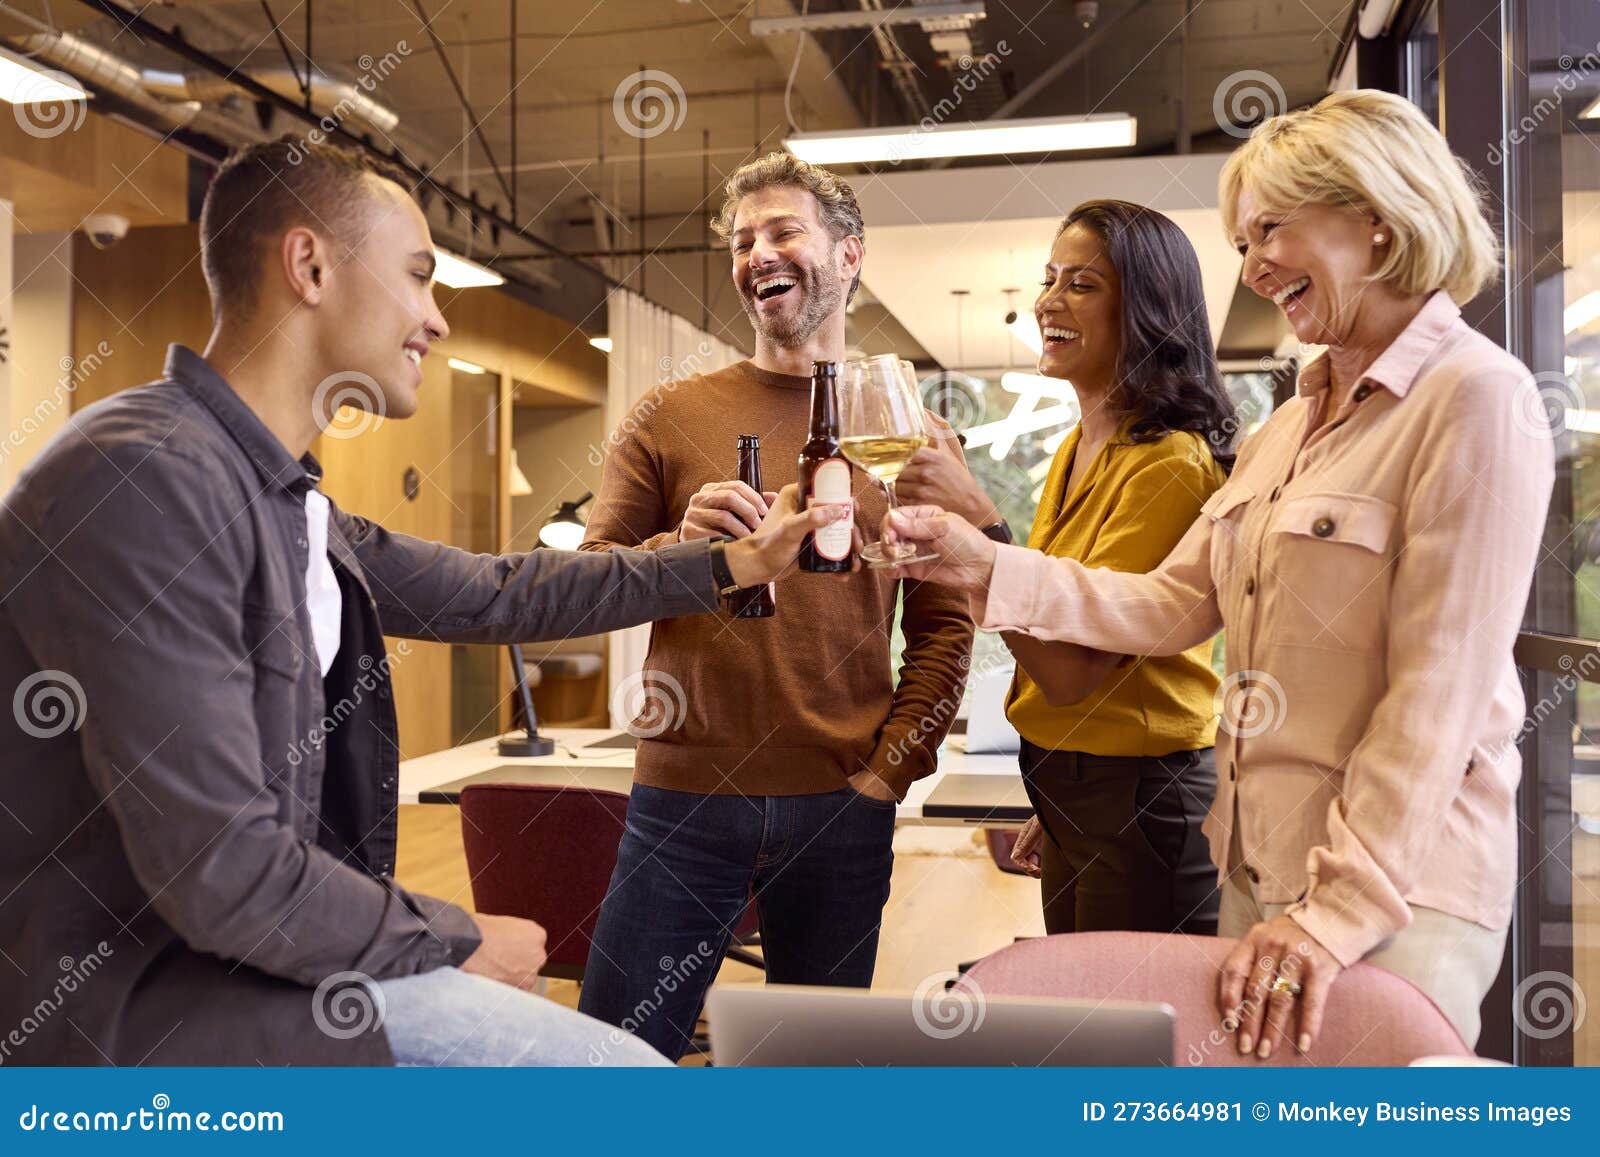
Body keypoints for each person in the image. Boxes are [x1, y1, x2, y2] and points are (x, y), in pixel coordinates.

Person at [0, 138, 841, 1067]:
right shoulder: (143, 477)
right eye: (417, 277)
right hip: (133, 1019)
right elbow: (223, 870)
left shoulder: (285, 501)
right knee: (625, 1075)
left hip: (255, 970)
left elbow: (501, 594)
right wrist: (453, 938)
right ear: (310, 266)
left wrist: (728, 563)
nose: (437, 320)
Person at [883, 89, 1553, 1055]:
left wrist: (1332, 914)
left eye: (1272, 229)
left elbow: (1436, 700)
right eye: (1244, 242)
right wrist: (978, 561)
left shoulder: (1476, 397)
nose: (1253, 265)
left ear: (1377, 217)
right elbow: (1168, 602)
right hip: (1258, 877)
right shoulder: (1290, 424)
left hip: (1393, 899)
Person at [576, 152, 973, 1060]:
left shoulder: (914, 429)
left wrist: (887, 775)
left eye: (783, 230)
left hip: (843, 806)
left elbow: (947, 625)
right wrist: (685, 545)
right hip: (681, 804)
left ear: (849, 254)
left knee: (810, 1088)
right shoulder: (665, 414)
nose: (758, 252)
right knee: (610, 1065)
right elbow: (589, 581)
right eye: (741, 240)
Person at [895, 200, 1233, 936]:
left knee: (1127, 1040)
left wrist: (982, 533)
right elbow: (1053, 624)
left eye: (1082, 284)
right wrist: (1059, 804)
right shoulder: (1075, 450)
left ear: (1145, 309)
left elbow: (1073, 674)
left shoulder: (1169, 463)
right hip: (1074, 788)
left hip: (1142, 798)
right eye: (1049, 279)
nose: (1048, 300)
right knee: (1086, 1020)